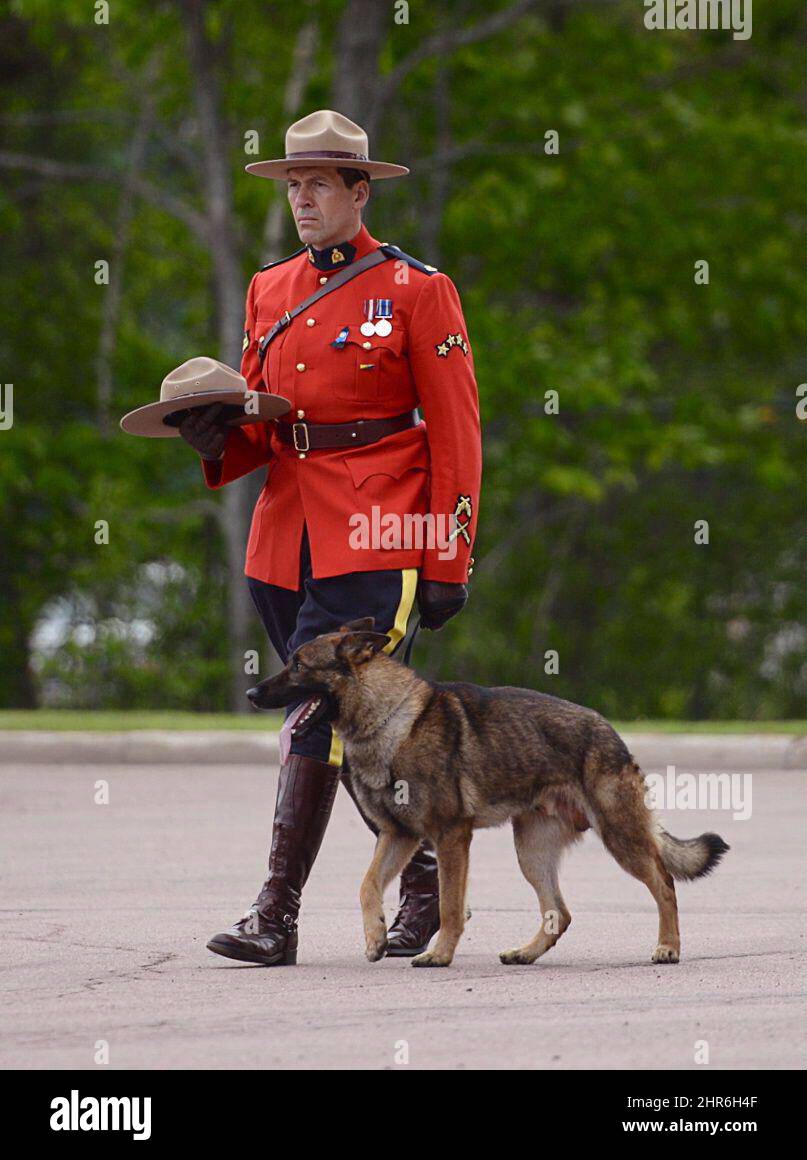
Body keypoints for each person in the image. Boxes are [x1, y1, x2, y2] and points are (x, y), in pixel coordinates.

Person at [178, 109, 482, 965]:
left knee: (315, 712)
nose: (300, 198)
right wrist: (218, 443)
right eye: (292, 184)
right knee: (347, 727)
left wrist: (448, 556)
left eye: (317, 183)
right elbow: (262, 429)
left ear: (359, 190)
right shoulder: (269, 287)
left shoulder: (420, 289)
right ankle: (422, 893)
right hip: (285, 536)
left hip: (382, 527)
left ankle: (275, 914)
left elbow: (456, 434)